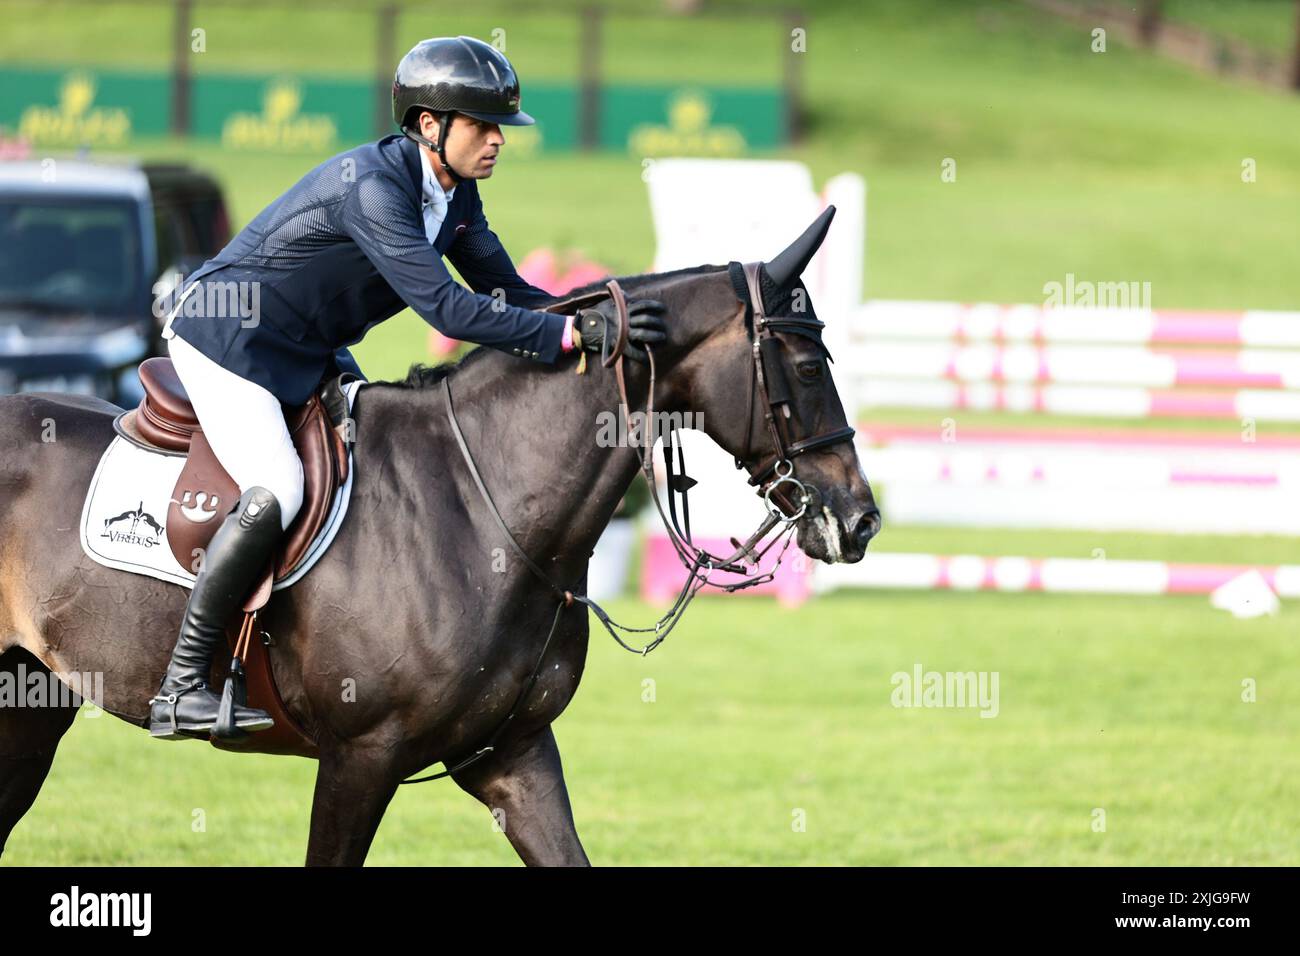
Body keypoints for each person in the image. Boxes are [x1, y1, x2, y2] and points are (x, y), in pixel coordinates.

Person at [148, 35, 668, 740]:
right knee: (281, 484)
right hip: (226, 339)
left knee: (376, 460)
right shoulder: (372, 188)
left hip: (306, 347)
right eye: (483, 127)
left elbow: (508, 291)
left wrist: (600, 317)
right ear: (430, 125)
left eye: (500, 130)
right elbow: (447, 309)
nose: (497, 143)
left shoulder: (455, 196)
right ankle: (182, 684)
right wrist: (569, 340)